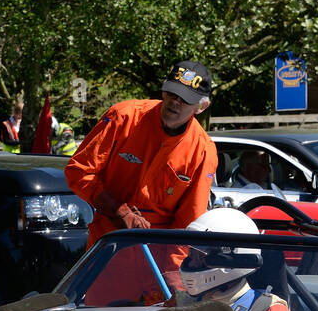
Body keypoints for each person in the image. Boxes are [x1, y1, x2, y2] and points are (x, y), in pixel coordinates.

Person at [65, 59, 218, 249]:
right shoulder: (124, 117)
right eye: (172, 93)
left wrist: (172, 273)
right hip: (107, 243)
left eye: (185, 99)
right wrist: (119, 211)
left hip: (157, 255)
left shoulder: (203, 151)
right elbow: (78, 171)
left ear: (202, 107)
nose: (175, 102)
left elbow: (189, 221)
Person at [173, 207, 292, 311]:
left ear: (230, 260)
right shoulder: (184, 302)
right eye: (191, 255)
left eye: (201, 257)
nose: (193, 264)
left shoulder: (267, 309)